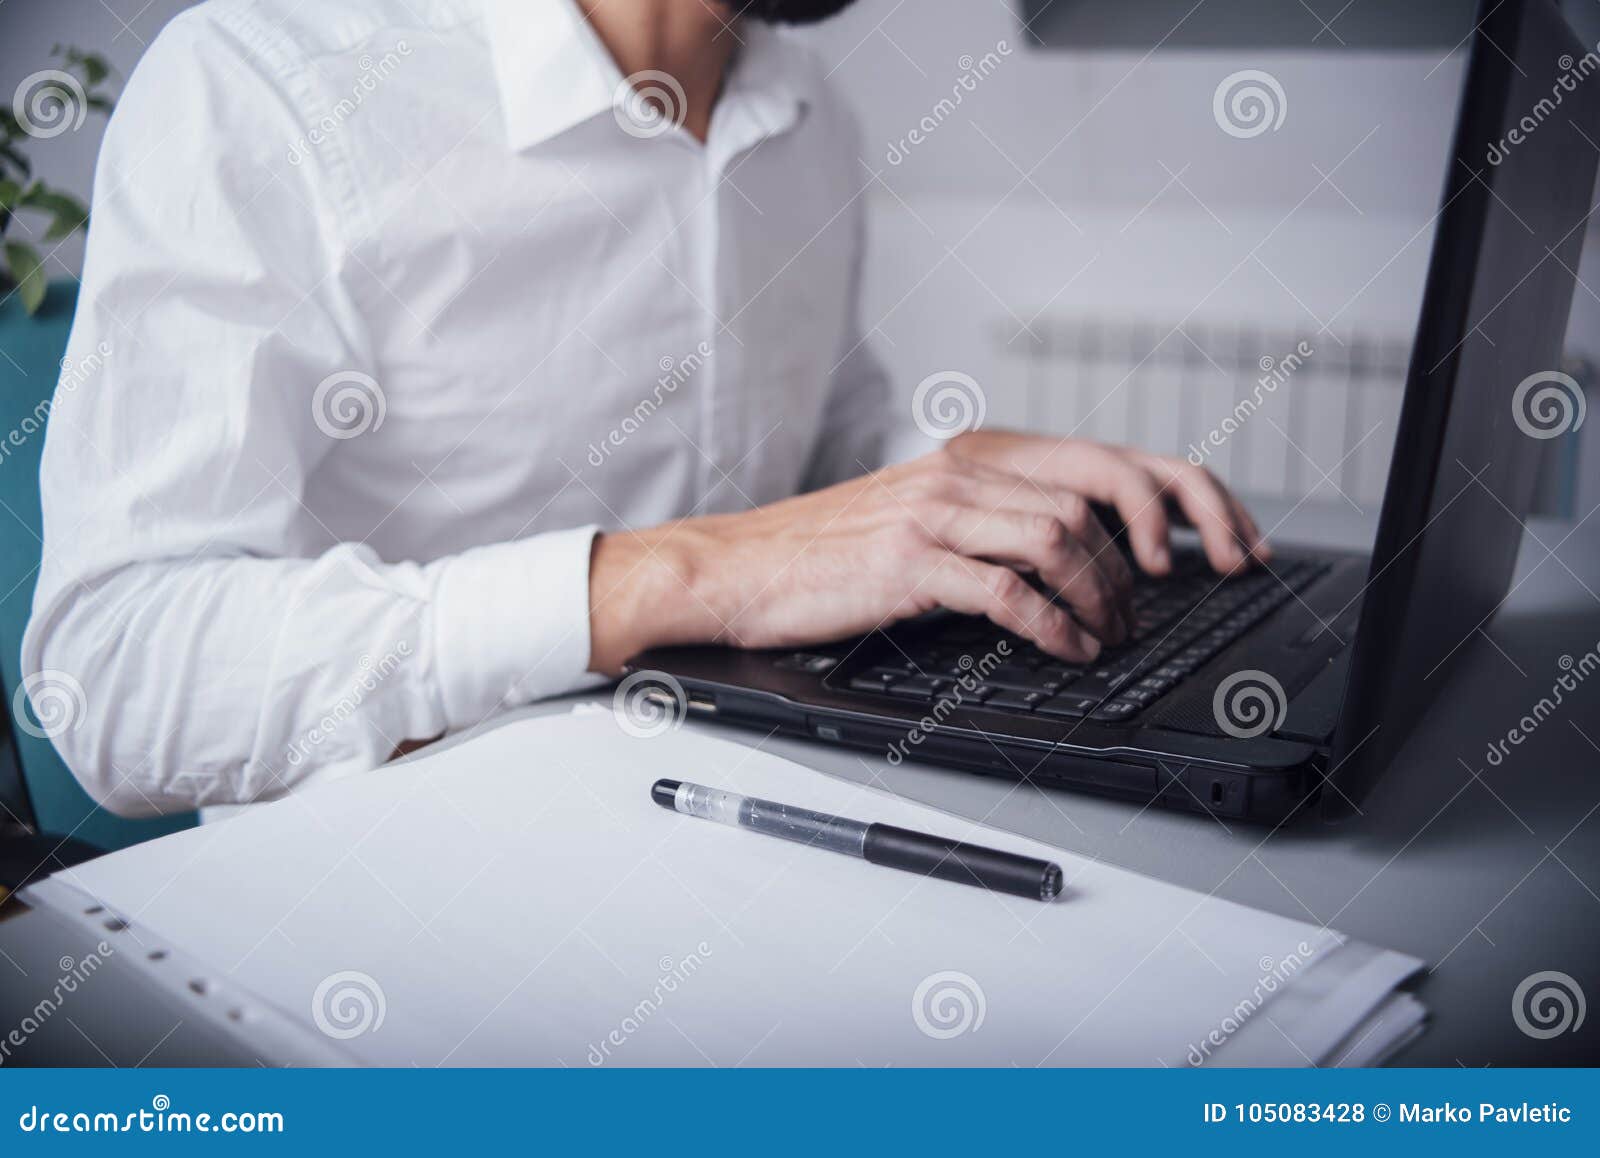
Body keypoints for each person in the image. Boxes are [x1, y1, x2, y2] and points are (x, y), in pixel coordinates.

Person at [22, 0, 1269, 817]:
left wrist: (950, 468)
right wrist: (666, 577)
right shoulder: (262, 85)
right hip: (388, 919)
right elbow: (115, 675)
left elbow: (813, 461)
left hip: (756, 812)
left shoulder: (804, 109)